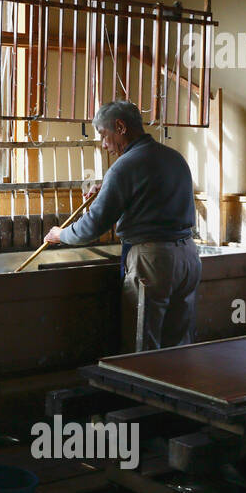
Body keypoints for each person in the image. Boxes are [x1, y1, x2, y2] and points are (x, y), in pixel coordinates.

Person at [43, 100, 201, 350]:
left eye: (104, 135)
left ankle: (143, 388)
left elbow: (91, 227)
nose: (105, 145)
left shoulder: (124, 167)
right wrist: (107, 188)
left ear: (120, 126)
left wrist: (61, 234)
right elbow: (151, 199)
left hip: (153, 261)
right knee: (178, 344)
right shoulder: (174, 158)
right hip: (189, 257)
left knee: (143, 345)